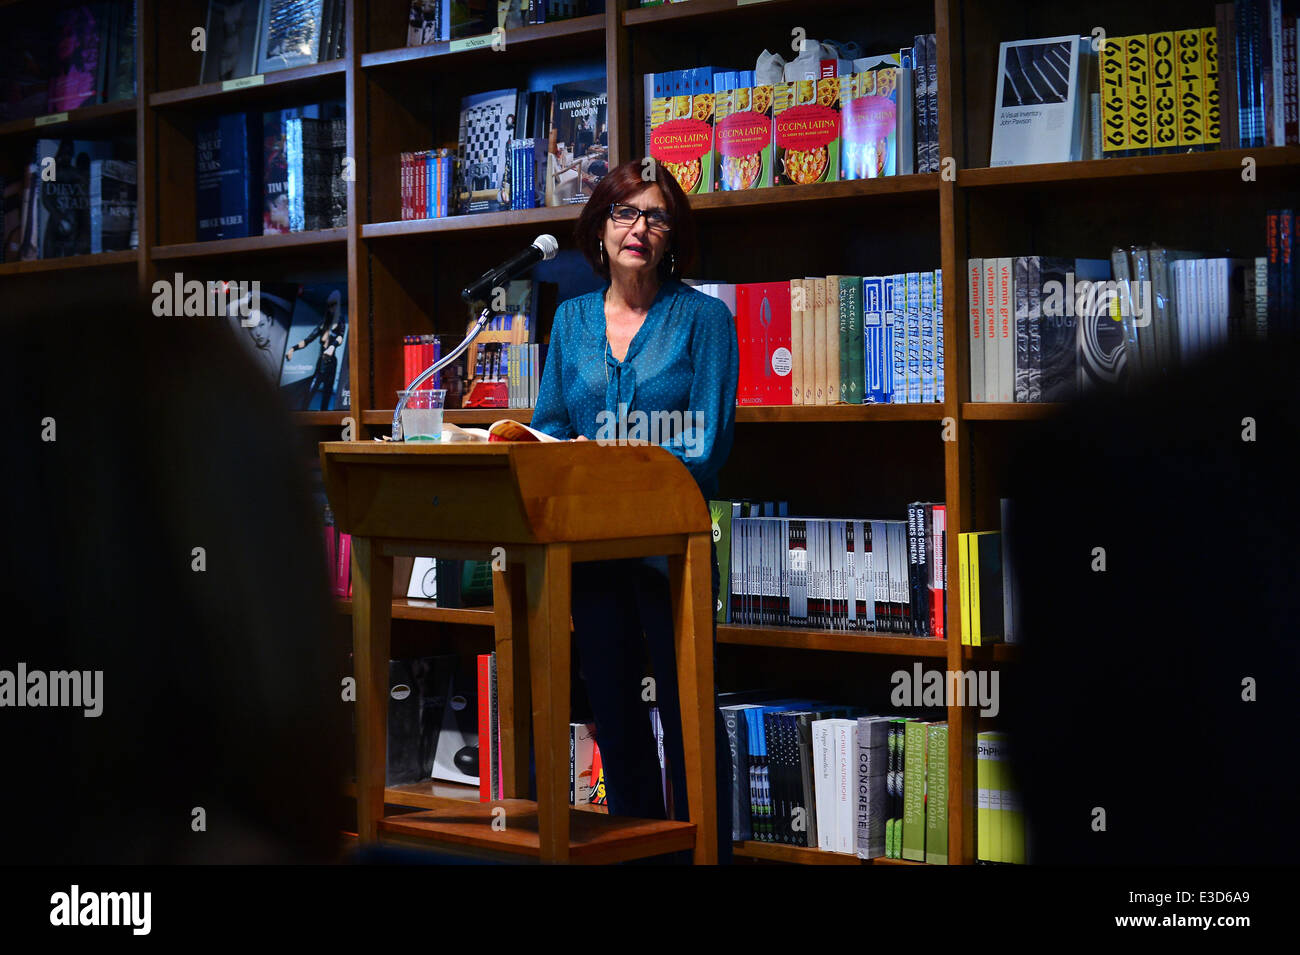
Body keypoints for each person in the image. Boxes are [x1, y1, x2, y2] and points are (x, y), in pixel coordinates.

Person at [531, 160, 739, 862]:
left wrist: (610, 449)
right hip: (588, 553)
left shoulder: (706, 319)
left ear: (671, 234)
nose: (638, 228)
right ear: (600, 228)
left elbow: (705, 443)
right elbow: (552, 425)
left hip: (672, 551)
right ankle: (639, 857)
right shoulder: (569, 321)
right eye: (624, 213)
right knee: (616, 723)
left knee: (687, 719)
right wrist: (553, 446)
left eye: (655, 216)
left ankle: (706, 854)